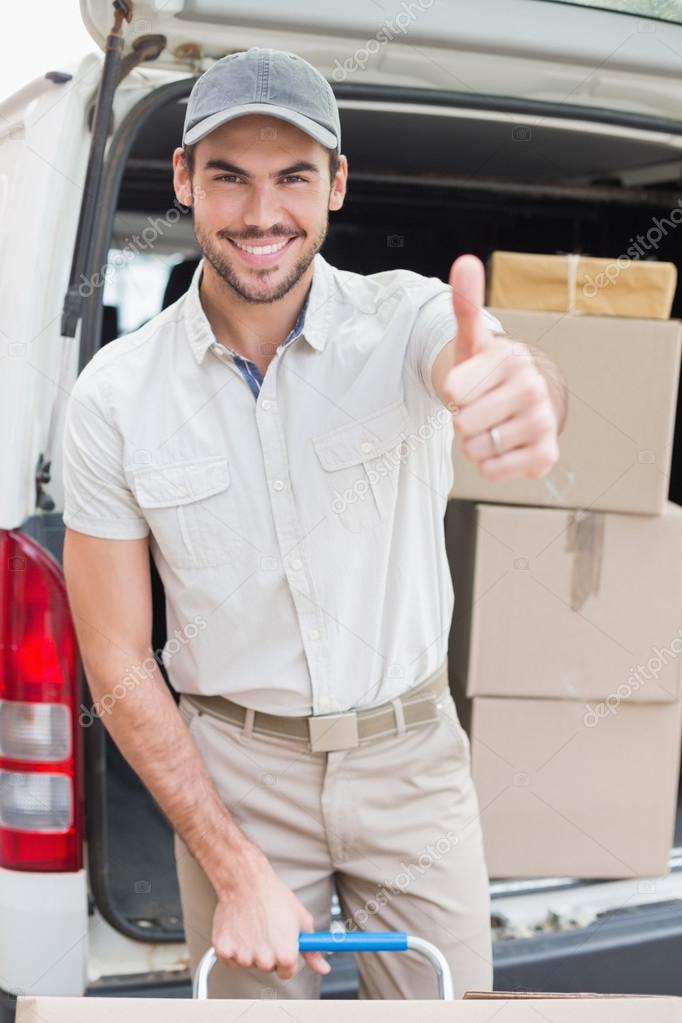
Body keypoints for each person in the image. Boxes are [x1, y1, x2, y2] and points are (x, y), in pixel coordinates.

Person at [62, 47, 567, 1001]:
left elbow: (491, 361)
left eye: (293, 176)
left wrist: (527, 390)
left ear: (335, 184)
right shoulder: (115, 397)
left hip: (411, 764)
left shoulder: (411, 317)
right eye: (229, 178)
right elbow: (118, 658)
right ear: (184, 181)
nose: (261, 215)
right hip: (236, 776)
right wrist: (232, 861)